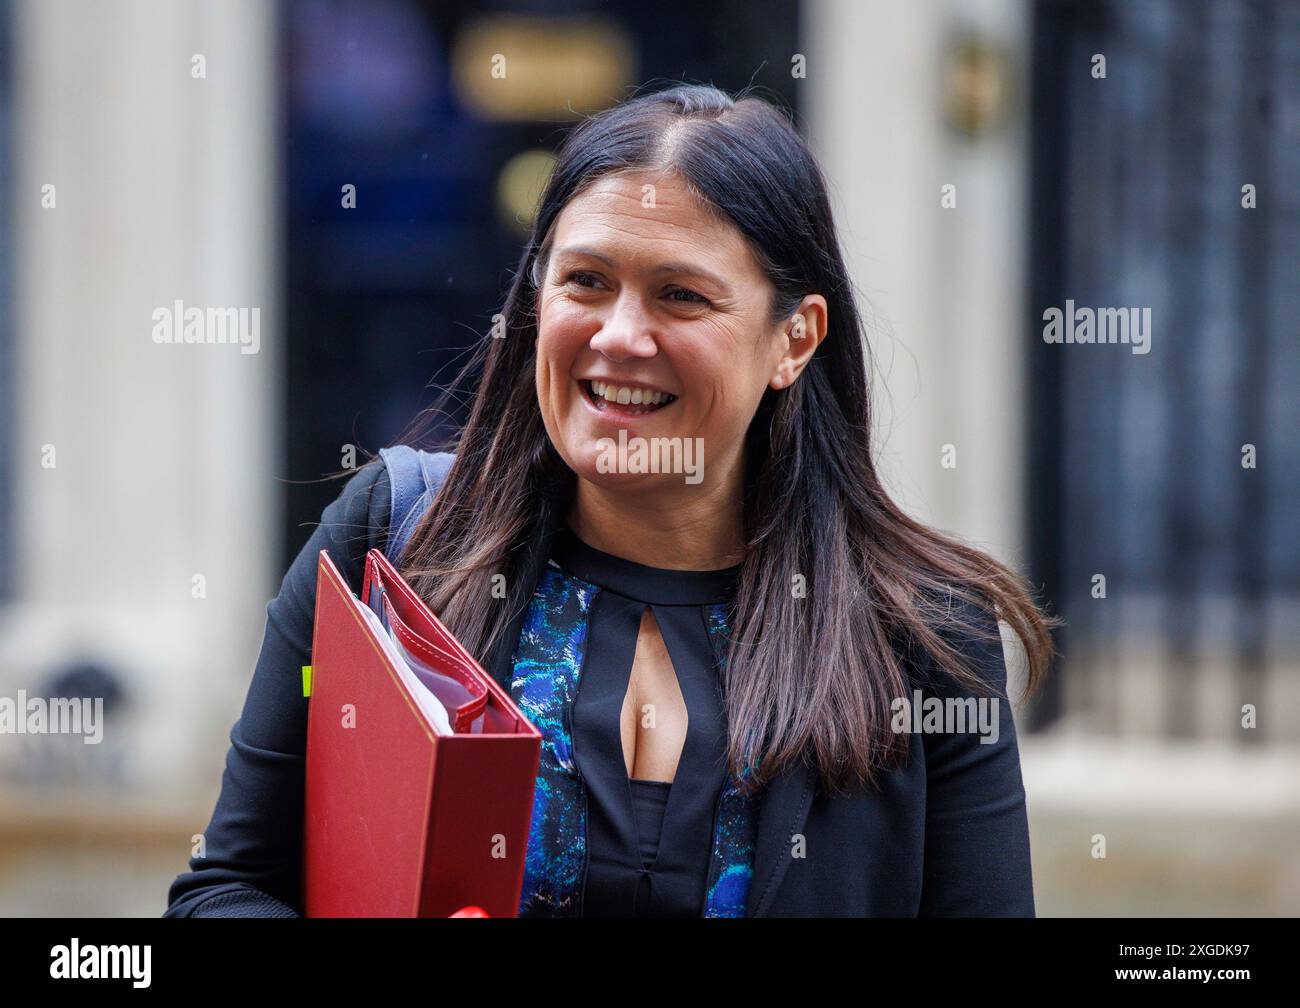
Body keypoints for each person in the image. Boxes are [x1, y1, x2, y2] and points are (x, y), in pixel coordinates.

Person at [165, 82, 1058, 918]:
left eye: (681, 295)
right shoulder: (393, 546)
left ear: (794, 340)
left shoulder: (924, 632)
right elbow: (224, 892)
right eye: (586, 281)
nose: (621, 336)